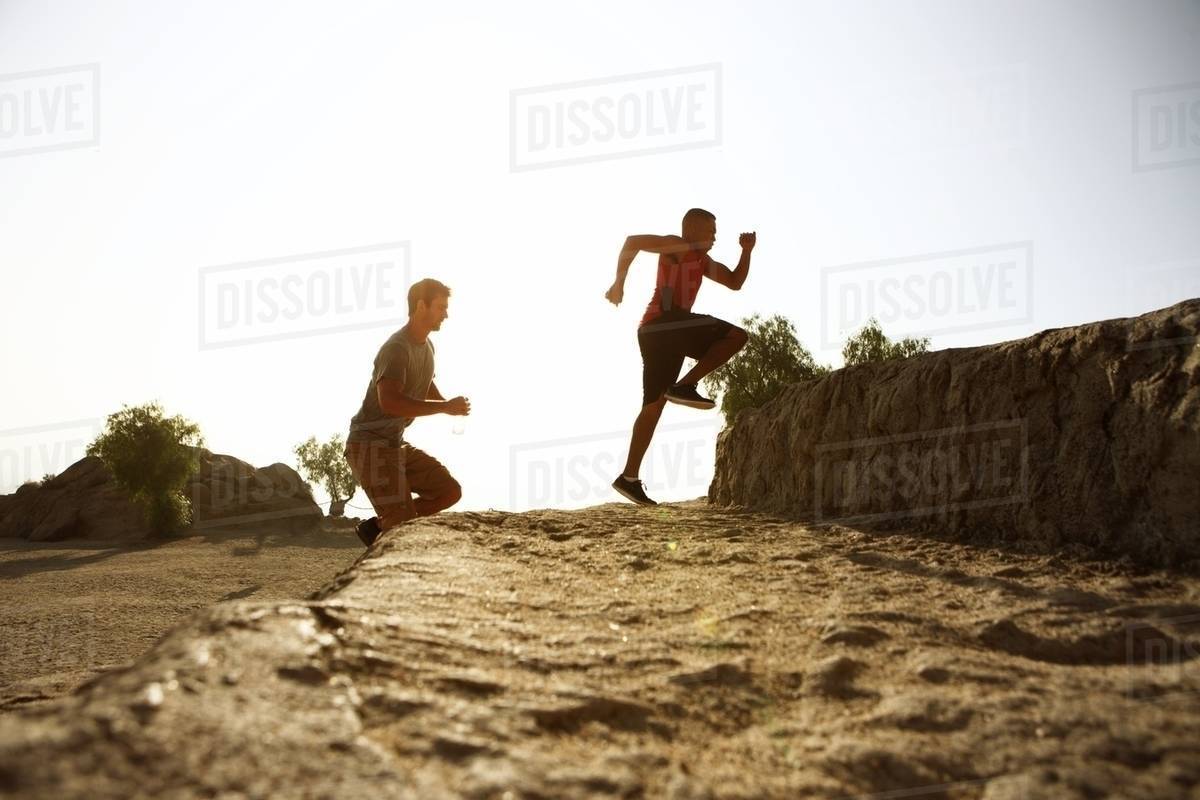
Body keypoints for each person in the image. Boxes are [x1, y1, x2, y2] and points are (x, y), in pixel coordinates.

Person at [604, 208, 755, 505]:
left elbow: (735, 282)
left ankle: (629, 478)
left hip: (657, 332)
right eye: (710, 231)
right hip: (665, 324)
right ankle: (685, 386)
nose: (714, 237)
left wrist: (746, 251)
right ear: (693, 230)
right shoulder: (678, 245)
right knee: (736, 336)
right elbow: (632, 241)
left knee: (654, 404)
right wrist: (619, 282)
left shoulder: (703, 262)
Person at [343, 278, 469, 547]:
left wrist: (447, 405)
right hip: (369, 446)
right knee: (403, 522)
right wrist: (444, 408)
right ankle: (390, 528)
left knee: (448, 491)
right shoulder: (396, 349)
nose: (446, 314)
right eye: (441, 307)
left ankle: (378, 525)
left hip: (395, 445)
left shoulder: (427, 346)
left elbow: (425, 381)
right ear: (421, 306)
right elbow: (390, 402)